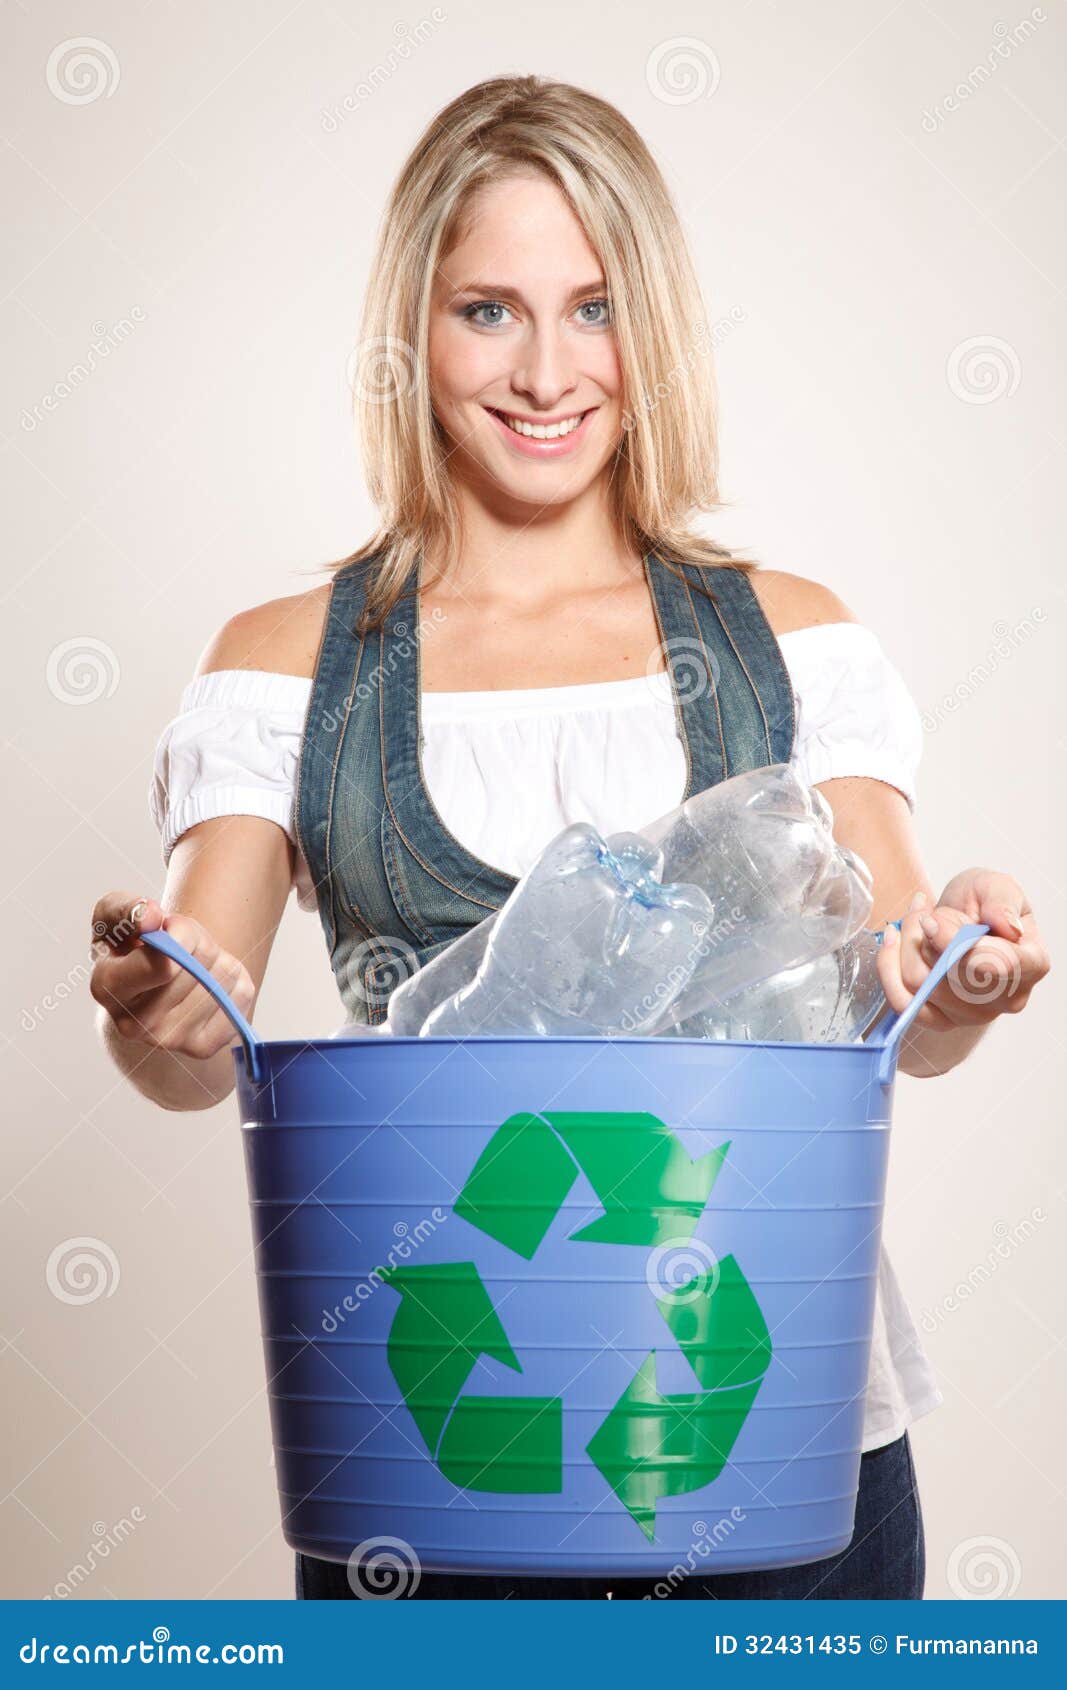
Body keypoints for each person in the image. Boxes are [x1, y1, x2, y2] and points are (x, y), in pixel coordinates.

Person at [90, 75, 1049, 1600]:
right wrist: (160, 1007)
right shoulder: (289, 665)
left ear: (648, 327)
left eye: (593, 309)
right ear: (412, 331)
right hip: (436, 1458)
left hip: (776, 1446)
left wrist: (964, 970)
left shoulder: (792, 641)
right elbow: (197, 1029)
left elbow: (896, 1006)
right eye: (488, 311)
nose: (546, 372)